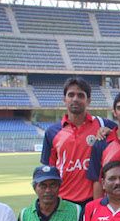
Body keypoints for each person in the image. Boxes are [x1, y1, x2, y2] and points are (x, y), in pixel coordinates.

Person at [40, 77, 115, 205]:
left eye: (80, 95)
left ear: (88, 100)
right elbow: (49, 171)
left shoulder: (104, 125)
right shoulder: (52, 132)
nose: (75, 99)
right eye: (71, 95)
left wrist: (111, 132)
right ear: (64, 99)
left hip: (94, 200)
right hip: (63, 202)